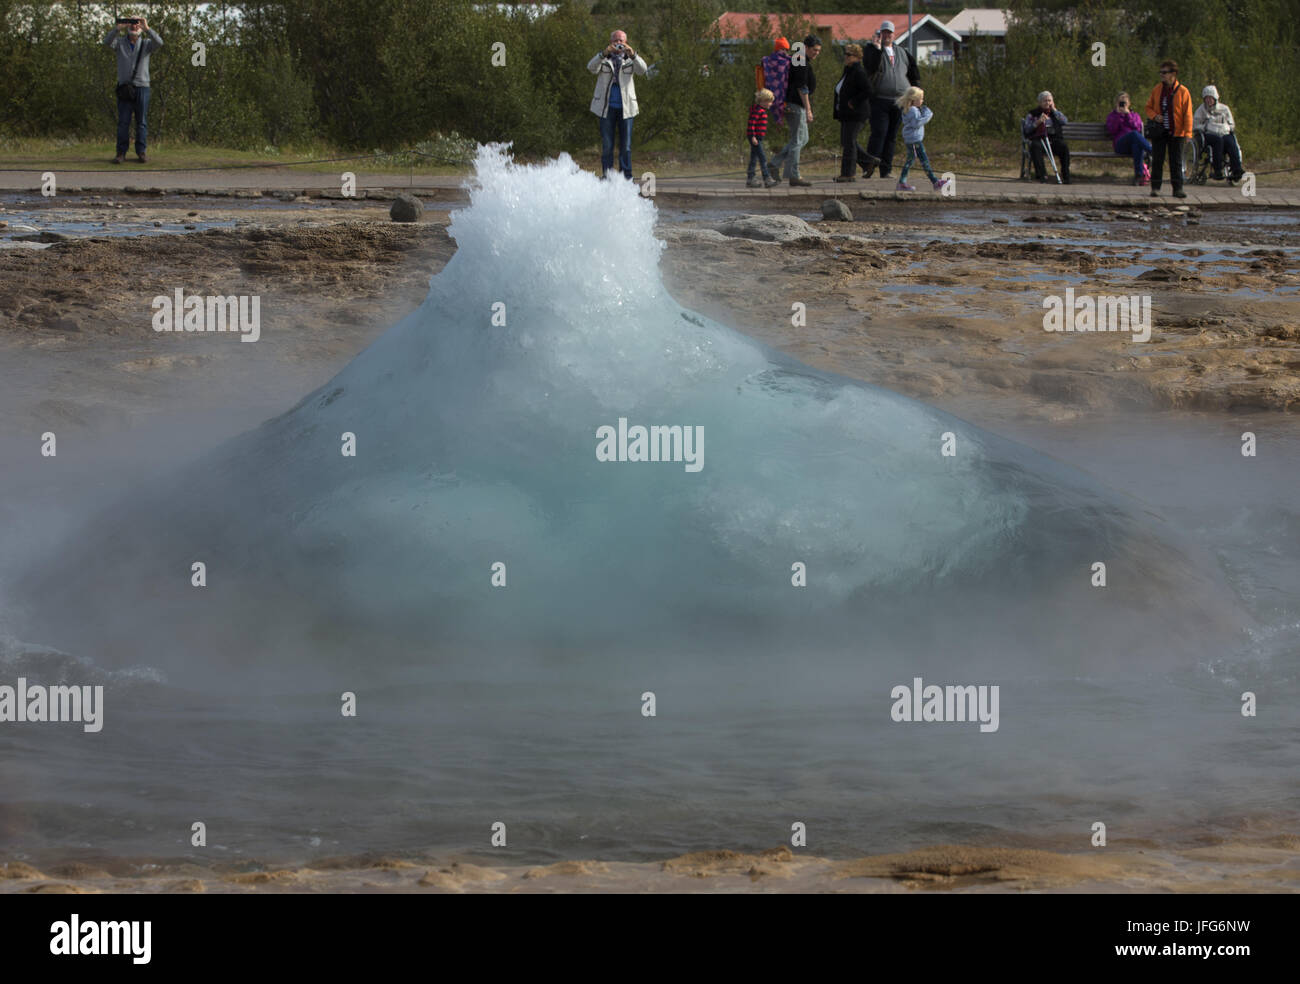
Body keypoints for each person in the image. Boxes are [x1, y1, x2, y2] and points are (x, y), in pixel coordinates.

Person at [862, 21, 920, 180]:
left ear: (894, 35)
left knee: (892, 136)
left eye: (889, 33)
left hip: (900, 101)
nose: (886, 36)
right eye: (884, 33)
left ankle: (885, 170)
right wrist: (877, 48)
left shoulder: (902, 52)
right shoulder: (871, 50)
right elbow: (870, 66)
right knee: (879, 133)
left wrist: (916, 92)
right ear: (879, 33)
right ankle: (868, 166)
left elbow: (914, 72)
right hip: (879, 99)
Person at [588, 30, 648, 181]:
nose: (618, 44)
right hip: (606, 108)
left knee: (626, 146)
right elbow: (591, 68)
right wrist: (602, 54)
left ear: (626, 42)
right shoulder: (604, 57)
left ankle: (626, 178)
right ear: (610, 41)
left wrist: (633, 54)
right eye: (615, 40)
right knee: (607, 146)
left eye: (621, 41)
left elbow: (643, 70)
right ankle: (607, 176)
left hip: (626, 109)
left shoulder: (630, 59)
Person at [103, 14, 163, 164]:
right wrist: (117, 29)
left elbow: (159, 42)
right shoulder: (120, 43)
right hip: (124, 88)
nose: (134, 26)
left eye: (137, 23)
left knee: (141, 121)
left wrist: (147, 27)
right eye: (131, 23)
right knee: (123, 122)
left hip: (142, 87)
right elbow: (106, 42)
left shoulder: (146, 44)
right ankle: (121, 153)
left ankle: (141, 152)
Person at [768, 34, 821, 187]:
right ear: (806, 47)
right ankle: (794, 175)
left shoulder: (801, 60)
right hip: (796, 105)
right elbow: (802, 87)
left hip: (794, 105)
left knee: (802, 139)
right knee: (798, 140)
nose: (816, 53)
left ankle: (774, 164)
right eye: (814, 50)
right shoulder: (800, 61)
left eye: (818, 51)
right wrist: (808, 109)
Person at [1144, 60, 1192, 198]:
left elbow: (1187, 114)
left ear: (1173, 74)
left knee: (1176, 161)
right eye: (1161, 72)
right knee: (1158, 159)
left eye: (1165, 72)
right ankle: (1155, 188)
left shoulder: (1183, 92)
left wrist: (1188, 133)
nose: (1162, 75)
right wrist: (1155, 116)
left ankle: (1178, 189)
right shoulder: (1157, 89)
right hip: (1159, 131)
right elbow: (1148, 107)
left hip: (1177, 132)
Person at [832, 45, 880, 182]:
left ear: (857, 57)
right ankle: (868, 162)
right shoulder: (848, 70)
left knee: (849, 142)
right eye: (845, 54)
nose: (845, 57)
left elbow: (868, 90)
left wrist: (854, 101)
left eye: (849, 55)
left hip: (856, 113)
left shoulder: (858, 71)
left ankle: (848, 174)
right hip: (846, 114)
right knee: (846, 141)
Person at [895, 87, 947, 192]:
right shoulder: (913, 110)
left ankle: (902, 182)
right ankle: (935, 182)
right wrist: (928, 114)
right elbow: (917, 123)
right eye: (921, 98)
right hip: (914, 140)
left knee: (912, 160)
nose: (922, 101)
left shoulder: (910, 110)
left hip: (912, 139)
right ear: (914, 99)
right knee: (923, 160)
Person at [1193, 85, 1243, 183]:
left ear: (1215, 98)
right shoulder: (1201, 110)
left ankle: (1237, 169)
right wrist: (1205, 125)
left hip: (1224, 132)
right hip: (1209, 134)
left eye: (1210, 98)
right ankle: (1217, 170)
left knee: (1231, 142)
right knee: (1218, 141)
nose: (1208, 100)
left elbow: (1232, 124)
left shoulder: (1224, 109)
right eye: (1206, 98)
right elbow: (1195, 125)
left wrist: (1227, 127)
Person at [1022, 91, 1070, 183]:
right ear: (1040, 102)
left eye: (1049, 101)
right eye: (1045, 101)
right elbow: (1027, 129)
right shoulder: (1033, 114)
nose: (1048, 103)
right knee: (1035, 147)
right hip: (1039, 139)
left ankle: (1066, 175)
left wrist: (1055, 110)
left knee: (1064, 147)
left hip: (1054, 139)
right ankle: (1042, 175)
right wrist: (1038, 122)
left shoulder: (1055, 113)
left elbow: (1064, 121)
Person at [1105, 92, 1151, 186]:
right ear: (1116, 103)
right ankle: (1152, 150)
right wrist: (1119, 115)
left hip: (1132, 146)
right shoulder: (1112, 115)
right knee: (1134, 134)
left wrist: (1128, 115)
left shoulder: (1134, 115)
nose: (1123, 105)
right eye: (1120, 102)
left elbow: (1137, 127)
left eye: (1124, 103)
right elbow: (1112, 130)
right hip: (1120, 145)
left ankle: (1138, 176)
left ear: (1129, 103)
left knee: (1137, 146)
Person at [746, 89, 779, 188]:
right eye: (769, 101)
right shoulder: (758, 111)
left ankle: (750, 178)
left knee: (754, 158)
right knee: (762, 158)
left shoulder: (761, 111)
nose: (771, 104)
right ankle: (767, 178)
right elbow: (751, 124)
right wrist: (753, 137)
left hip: (758, 138)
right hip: (755, 138)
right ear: (763, 101)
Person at [758, 37, 792, 128]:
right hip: (783, 93)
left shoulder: (766, 60)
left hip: (769, 93)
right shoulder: (788, 61)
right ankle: (780, 123)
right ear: (784, 48)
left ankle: (777, 123)